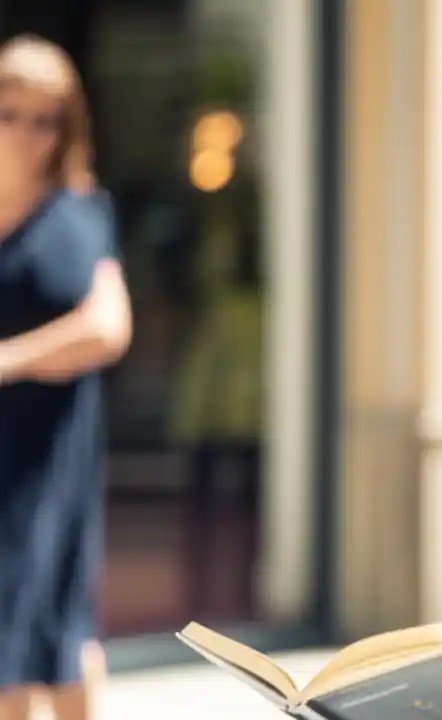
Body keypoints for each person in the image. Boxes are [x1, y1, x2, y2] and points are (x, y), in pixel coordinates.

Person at [0, 34, 131, 720]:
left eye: (44, 118)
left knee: (49, 620)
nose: (26, 133)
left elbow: (106, 329)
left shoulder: (79, 213)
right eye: (10, 112)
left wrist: (10, 359)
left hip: (51, 454)